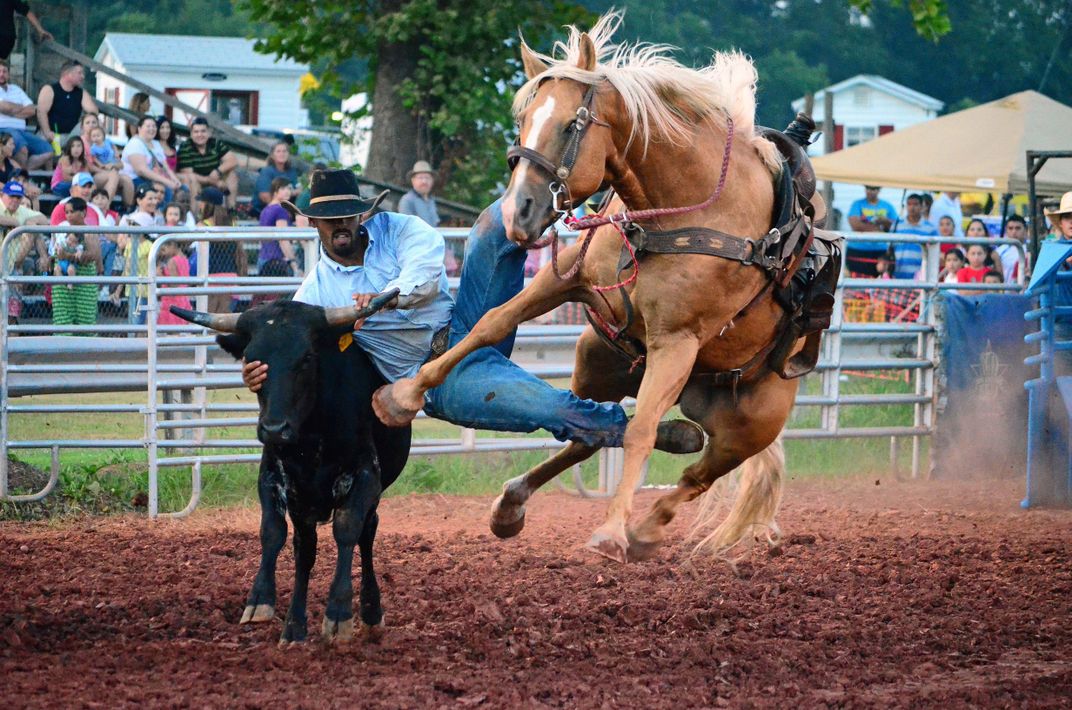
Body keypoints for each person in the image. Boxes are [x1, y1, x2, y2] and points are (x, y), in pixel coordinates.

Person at [241, 169, 704, 453]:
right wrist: (260, 371)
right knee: (546, 405)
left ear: (362, 214)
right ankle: (636, 431)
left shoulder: (401, 229)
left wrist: (383, 298)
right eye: (330, 218)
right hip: (436, 380)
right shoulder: (315, 290)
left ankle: (592, 183)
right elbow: (290, 344)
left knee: (489, 224)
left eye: (347, 214)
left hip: (466, 321)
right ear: (315, 223)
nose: (341, 224)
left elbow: (424, 275)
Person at [0, 179, 48, 324]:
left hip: (9, 269)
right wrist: (15, 223)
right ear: (2, 195)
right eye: (11, 196)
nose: (15, 200)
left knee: (11, 317)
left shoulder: (22, 211)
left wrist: (29, 223)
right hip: (6, 268)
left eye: (18, 197)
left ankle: (10, 345)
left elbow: (44, 220)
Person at [50, 196, 101, 329]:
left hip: (84, 282)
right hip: (61, 282)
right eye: (66, 212)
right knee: (62, 317)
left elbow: (94, 255)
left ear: (83, 212)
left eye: (72, 212)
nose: (69, 215)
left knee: (85, 318)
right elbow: (53, 252)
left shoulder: (89, 231)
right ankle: (63, 348)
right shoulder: (60, 229)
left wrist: (68, 256)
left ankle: (86, 349)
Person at [114, 184, 164, 320]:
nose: (154, 202)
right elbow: (121, 243)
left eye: (155, 198)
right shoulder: (128, 218)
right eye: (150, 198)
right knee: (137, 317)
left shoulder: (159, 218)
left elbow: (163, 245)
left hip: (155, 268)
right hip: (137, 269)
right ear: (139, 200)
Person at [197, 187, 247, 313]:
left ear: (207, 204)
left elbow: (203, 256)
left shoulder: (203, 225)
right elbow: (239, 252)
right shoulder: (232, 223)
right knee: (224, 324)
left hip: (211, 278)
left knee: (209, 323)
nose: (200, 205)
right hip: (231, 278)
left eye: (201, 202)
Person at [0, 58, 52, 169]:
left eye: (4, 71)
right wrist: (19, 108)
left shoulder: (16, 89)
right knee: (22, 148)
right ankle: (21, 178)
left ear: (8, 74)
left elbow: (32, 110)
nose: (1, 74)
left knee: (48, 150)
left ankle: (22, 174)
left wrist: (10, 111)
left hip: (21, 130)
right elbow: (4, 107)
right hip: (3, 130)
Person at [176, 117, 238, 207]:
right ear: (191, 134)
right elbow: (188, 174)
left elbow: (233, 160)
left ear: (208, 132)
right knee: (193, 182)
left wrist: (218, 171)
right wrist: (212, 181)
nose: (200, 135)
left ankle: (231, 214)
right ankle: (195, 218)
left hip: (215, 178)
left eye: (203, 131)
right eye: (196, 132)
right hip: (198, 182)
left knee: (232, 175)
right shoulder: (186, 147)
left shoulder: (215, 143)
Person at [121, 115, 183, 203]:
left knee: (183, 189)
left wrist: (174, 179)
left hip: (151, 178)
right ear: (139, 128)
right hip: (135, 179)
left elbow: (166, 167)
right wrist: (167, 182)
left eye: (154, 126)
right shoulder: (135, 143)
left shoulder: (156, 144)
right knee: (163, 190)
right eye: (148, 126)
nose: (152, 129)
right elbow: (141, 171)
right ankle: (161, 214)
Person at [36, 60, 98, 146]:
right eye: (79, 73)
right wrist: (47, 133)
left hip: (71, 136)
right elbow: (41, 112)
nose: (83, 76)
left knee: (94, 123)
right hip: (51, 134)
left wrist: (85, 120)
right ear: (67, 74)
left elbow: (94, 112)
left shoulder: (81, 93)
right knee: (43, 142)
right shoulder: (49, 89)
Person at [256, 176, 301, 276]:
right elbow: (283, 239)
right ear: (275, 191)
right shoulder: (280, 210)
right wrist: (293, 263)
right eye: (283, 188)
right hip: (277, 262)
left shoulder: (265, 210)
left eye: (289, 188)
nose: (287, 191)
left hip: (263, 259)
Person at [890, 193, 937, 280]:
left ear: (922, 206)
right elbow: (890, 248)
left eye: (915, 204)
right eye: (909, 204)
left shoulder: (930, 228)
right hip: (897, 274)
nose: (912, 207)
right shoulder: (897, 226)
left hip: (920, 276)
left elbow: (934, 253)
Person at [85, 123, 131, 205]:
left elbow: (120, 164)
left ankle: (128, 207)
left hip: (112, 167)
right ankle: (105, 206)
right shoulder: (92, 148)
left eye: (98, 135)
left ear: (103, 136)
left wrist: (116, 152)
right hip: (98, 174)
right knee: (113, 174)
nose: (96, 138)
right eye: (93, 136)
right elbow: (92, 162)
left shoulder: (107, 142)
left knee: (127, 180)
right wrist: (101, 166)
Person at [155, 234, 192, 326]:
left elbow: (174, 284)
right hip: (183, 298)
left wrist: (160, 276)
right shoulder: (184, 258)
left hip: (173, 300)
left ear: (172, 246)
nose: (164, 253)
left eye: (164, 249)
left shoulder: (172, 261)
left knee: (172, 329)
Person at [252, 141, 298, 215]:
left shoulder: (292, 171)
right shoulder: (266, 171)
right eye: (278, 151)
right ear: (272, 155)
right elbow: (264, 196)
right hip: (264, 210)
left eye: (284, 151)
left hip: (287, 208)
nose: (282, 154)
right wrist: (281, 211)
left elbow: (298, 189)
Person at [398, 160, 440, 227]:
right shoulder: (407, 200)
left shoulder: (431, 200)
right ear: (413, 180)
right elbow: (406, 228)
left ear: (432, 181)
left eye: (427, 178)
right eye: (420, 178)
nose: (424, 181)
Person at [994, 214, 1028, 284]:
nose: (1014, 232)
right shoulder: (999, 251)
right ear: (1006, 230)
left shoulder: (1031, 249)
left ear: (1025, 230)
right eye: (1010, 228)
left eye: (1018, 228)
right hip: (1005, 292)